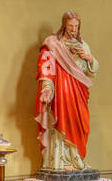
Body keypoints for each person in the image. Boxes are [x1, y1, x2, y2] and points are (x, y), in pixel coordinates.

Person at [35, 11, 98, 171]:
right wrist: (47, 87)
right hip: (62, 92)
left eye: (76, 26)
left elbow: (91, 73)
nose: (73, 29)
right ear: (64, 25)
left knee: (80, 125)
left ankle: (77, 160)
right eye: (70, 26)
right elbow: (46, 66)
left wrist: (90, 59)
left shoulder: (84, 45)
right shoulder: (53, 43)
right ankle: (61, 162)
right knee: (62, 122)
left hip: (80, 92)